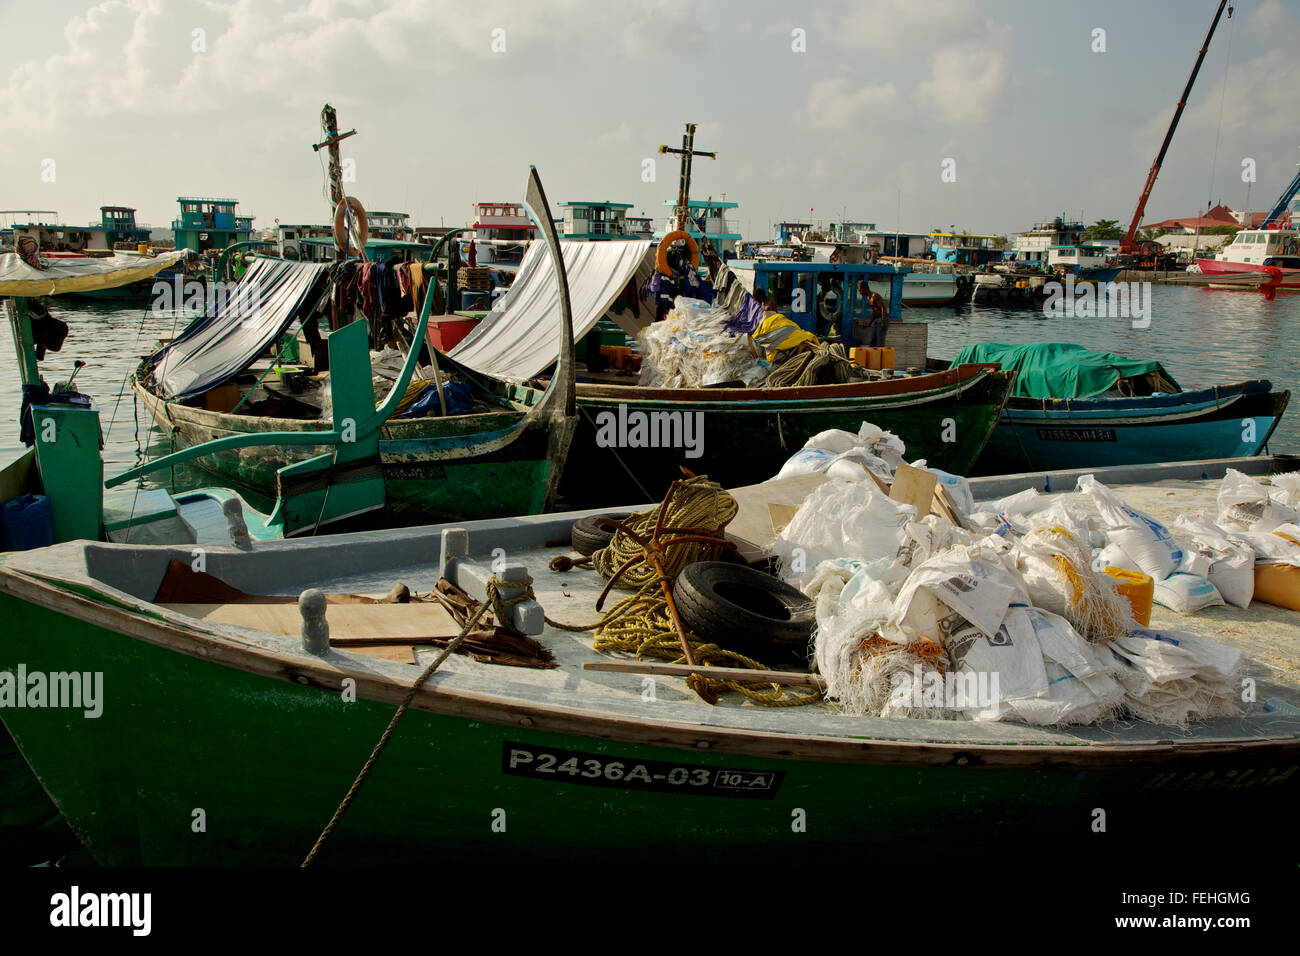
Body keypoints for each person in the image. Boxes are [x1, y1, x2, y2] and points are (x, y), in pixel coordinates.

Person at [857, 279, 888, 347]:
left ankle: (881, 356)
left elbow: (883, 308)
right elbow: (875, 312)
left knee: (880, 342)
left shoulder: (875, 296)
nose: (859, 292)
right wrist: (869, 323)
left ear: (864, 289)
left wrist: (883, 322)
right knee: (872, 341)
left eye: (859, 290)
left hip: (881, 320)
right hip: (877, 320)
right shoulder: (869, 298)